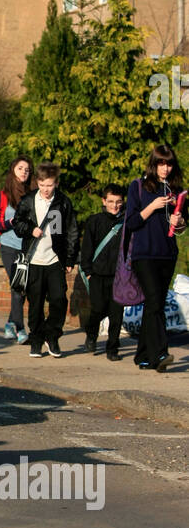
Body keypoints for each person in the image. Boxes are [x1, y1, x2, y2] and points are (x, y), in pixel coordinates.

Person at [123, 143, 187, 371]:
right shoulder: (138, 186)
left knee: (155, 304)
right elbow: (131, 222)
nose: (165, 168)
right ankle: (160, 353)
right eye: (161, 163)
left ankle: (143, 355)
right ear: (153, 164)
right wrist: (152, 207)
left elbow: (181, 227)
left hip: (167, 254)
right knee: (154, 300)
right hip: (144, 254)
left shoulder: (177, 190)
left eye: (169, 163)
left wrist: (178, 223)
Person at [13, 161, 79, 359]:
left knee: (59, 299)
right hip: (33, 260)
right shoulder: (28, 201)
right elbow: (17, 224)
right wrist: (30, 229)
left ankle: (53, 336)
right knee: (35, 303)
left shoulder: (63, 202)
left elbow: (72, 231)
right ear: (37, 183)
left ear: (56, 183)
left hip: (55, 260)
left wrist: (70, 258)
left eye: (49, 185)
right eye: (42, 185)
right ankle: (36, 339)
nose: (46, 189)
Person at [0, 155, 35, 344]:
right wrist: (9, 223)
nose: (24, 172)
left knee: (21, 287)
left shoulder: (34, 195)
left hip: (27, 247)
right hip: (9, 246)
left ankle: (10, 324)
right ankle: (21, 329)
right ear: (13, 171)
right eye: (20, 168)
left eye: (27, 169)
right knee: (18, 286)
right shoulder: (3, 196)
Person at [80, 184, 125, 360]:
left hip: (119, 276)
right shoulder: (95, 221)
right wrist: (88, 272)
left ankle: (112, 349)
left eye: (119, 202)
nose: (115, 205)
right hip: (97, 275)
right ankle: (91, 335)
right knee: (97, 310)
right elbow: (87, 249)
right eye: (111, 201)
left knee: (116, 314)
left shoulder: (127, 222)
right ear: (104, 201)